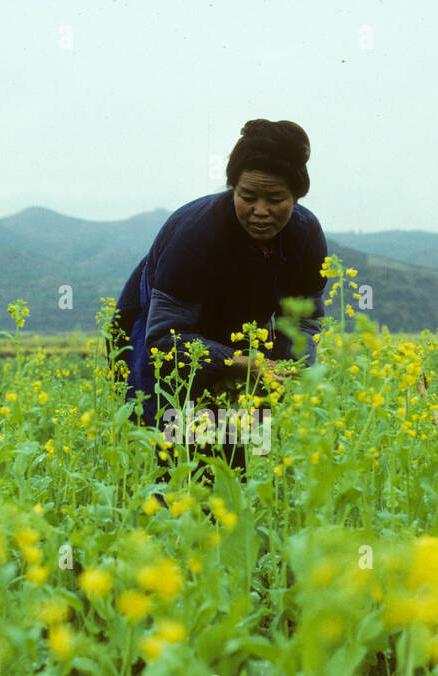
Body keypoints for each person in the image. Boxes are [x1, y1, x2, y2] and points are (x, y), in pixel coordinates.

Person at [107, 119, 327, 481]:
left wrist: (284, 372)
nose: (260, 211)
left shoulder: (305, 236)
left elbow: (302, 321)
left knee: (237, 466)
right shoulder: (196, 234)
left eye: (275, 200)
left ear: (296, 197)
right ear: (232, 189)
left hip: (242, 341)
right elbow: (164, 341)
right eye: (247, 196)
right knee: (175, 465)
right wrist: (239, 364)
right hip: (160, 336)